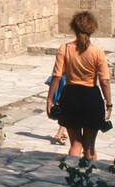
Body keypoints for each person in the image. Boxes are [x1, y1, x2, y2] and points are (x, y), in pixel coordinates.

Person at [46, 11, 111, 160]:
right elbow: (105, 81)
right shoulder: (98, 52)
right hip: (91, 97)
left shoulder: (65, 48)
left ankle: (72, 176)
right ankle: (90, 179)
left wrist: (49, 99)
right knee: (89, 146)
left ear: (73, 27)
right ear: (92, 28)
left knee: (75, 144)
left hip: (71, 96)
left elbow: (56, 75)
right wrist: (109, 103)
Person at [45, 71, 68, 144]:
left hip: (64, 80)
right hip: (66, 82)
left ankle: (61, 132)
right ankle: (59, 134)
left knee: (66, 109)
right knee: (67, 111)